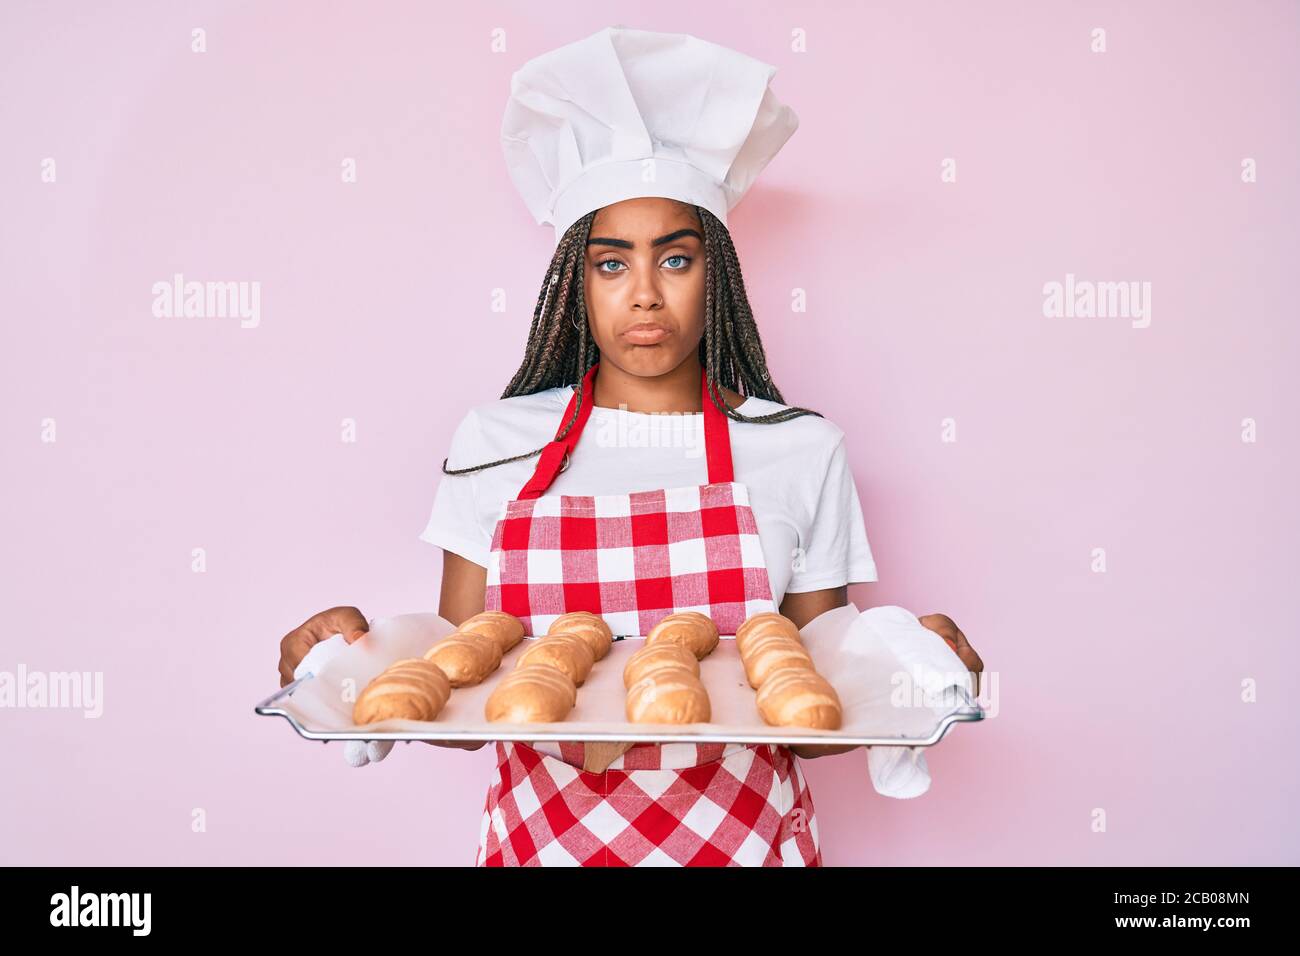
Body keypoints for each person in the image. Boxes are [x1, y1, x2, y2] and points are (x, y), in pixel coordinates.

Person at [276, 26, 983, 866]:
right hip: (541, 846)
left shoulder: (802, 449)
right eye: (611, 265)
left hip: (748, 843)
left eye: (675, 260)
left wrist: (912, 671)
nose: (644, 295)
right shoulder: (495, 441)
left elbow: (813, 714)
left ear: (714, 272)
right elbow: (460, 700)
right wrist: (346, 660)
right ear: (574, 282)